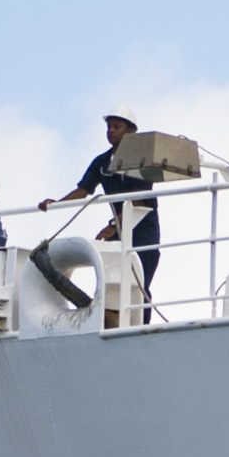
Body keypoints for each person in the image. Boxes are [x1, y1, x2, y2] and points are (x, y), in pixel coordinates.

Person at [64, 111, 163, 311]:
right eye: (108, 127)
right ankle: (113, 321)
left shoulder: (141, 159)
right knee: (114, 281)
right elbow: (83, 190)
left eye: (116, 127)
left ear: (131, 131)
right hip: (118, 228)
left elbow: (138, 199)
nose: (110, 131)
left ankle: (140, 327)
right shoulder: (102, 162)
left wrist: (112, 227)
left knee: (140, 282)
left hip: (143, 230)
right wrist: (55, 203)